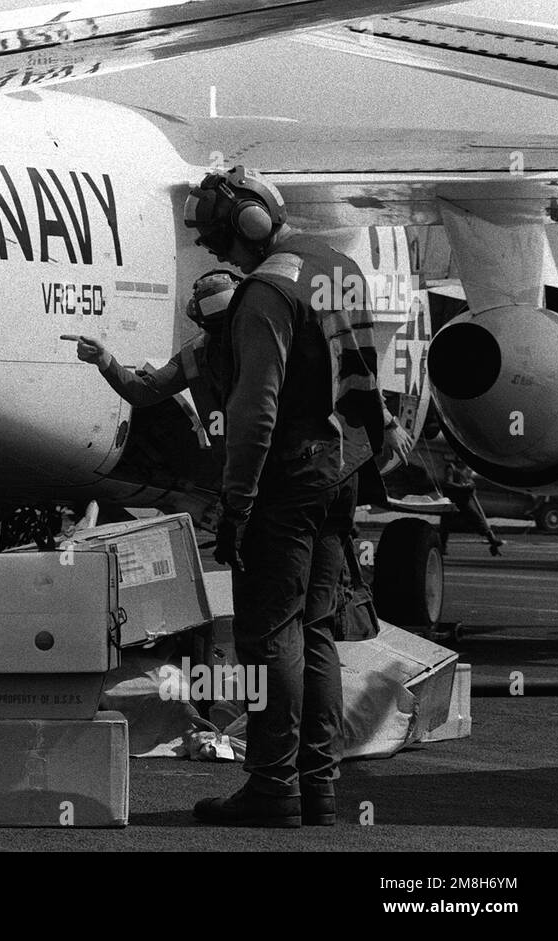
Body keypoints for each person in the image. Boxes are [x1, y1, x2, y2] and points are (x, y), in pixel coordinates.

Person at [182, 165, 388, 828]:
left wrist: (236, 503)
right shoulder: (339, 266)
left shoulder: (267, 291)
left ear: (247, 223)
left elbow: (256, 411)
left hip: (290, 476)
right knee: (318, 628)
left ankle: (273, 787)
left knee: (270, 634)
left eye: (222, 240)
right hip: (342, 470)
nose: (222, 254)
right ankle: (319, 786)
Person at [69, 270, 239, 456]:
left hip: (243, 464)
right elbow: (142, 392)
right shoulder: (196, 357)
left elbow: (142, 392)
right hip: (246, 463)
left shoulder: (194, 357)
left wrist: (103, 360)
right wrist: (102, 359)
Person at [439, 460, 504, 556]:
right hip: (451, 501)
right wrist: (462, 488)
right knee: (446, 525)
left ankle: (492, 541)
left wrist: (471, 486)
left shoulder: (467, 469)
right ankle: (442, 547)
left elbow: (469, 481)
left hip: (464, 501)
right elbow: (448, 483)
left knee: (478, 519)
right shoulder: (451, 468)